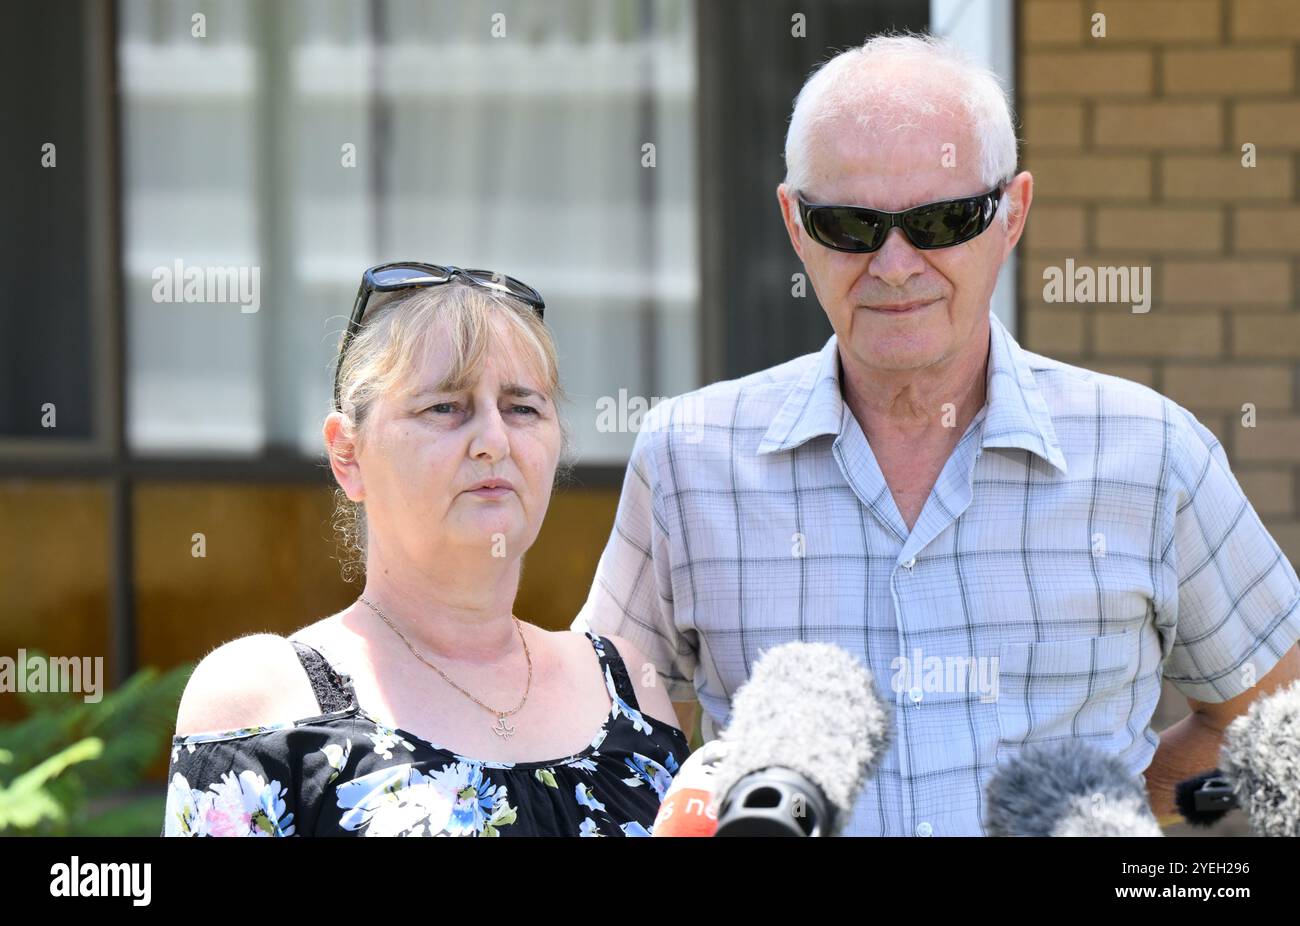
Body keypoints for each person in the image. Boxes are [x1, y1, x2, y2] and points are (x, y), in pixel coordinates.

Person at [573, 33, 1300, 836]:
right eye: (849, 223)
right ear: (793, 221)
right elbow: (598, 747)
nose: (893, 265)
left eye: (943, 220)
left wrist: (1106, 805)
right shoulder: (686, 458)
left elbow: (1271, 720)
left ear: (1012, 213)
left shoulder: (1152, 455)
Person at [163, 263, 688, 837]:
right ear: (348, 455)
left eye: (522, 408)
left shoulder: (629, 685)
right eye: (445, 407)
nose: (493, 441)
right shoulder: (265, 699)